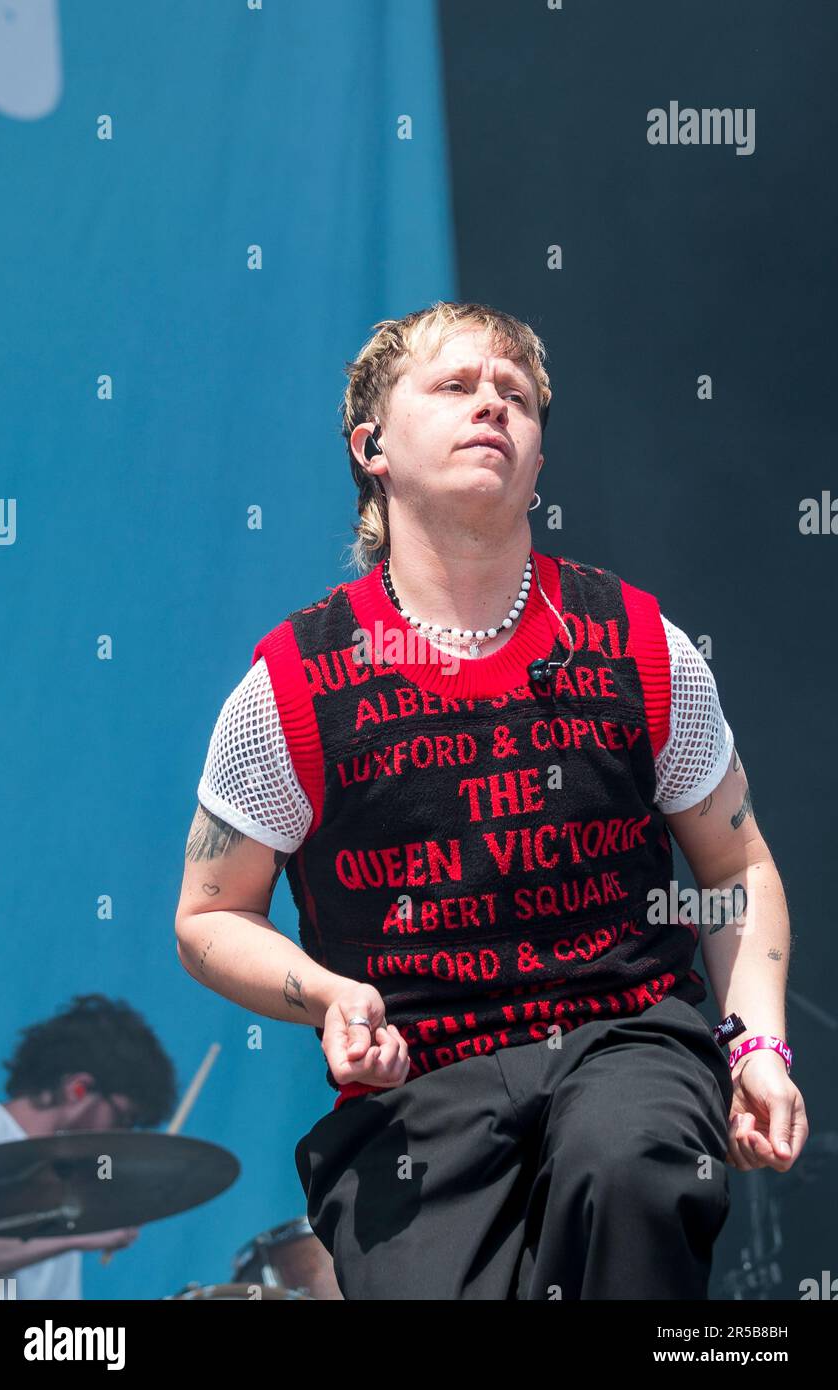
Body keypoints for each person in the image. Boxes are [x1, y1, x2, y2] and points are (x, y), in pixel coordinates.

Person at [175, 300, 808, 1300]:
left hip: (625, 1031)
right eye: (457, 386)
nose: (493, 409)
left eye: (516, 396)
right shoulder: (292, 684)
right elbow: (209, 915)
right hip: (418, 1082)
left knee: (630, 1162)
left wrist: (758, 1046)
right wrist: (330, 996)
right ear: (370, 444)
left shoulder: (639, 643)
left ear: (539, 461)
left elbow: (736, 868)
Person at [0, 994, 177, 1299]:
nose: (122, 1137)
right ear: (77, 1089)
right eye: (123, 1119)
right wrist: (73, 1237)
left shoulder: (63, 1185)